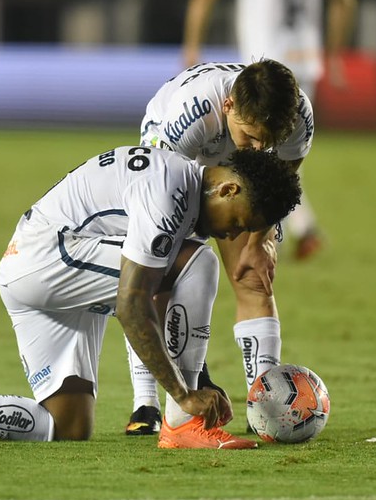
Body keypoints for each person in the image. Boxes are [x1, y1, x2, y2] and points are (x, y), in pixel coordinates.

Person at [0, 146, 302, 449]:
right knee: (200, 263)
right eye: (240, 221)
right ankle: (181, 423)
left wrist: (199, 379)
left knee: (67, 426)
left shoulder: (184, 186)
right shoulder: (170, 191)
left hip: (43, 271)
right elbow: (133, 304)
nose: (233, 234)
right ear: (228, 189)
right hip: (49, 258)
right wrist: (186, 394)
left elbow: (166, 306)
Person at [125, 59, 312, 436]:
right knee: (164, 274)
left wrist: (259, 242)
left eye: (268, 142)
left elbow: (277, 184)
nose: (260, 148)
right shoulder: (191, 113)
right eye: (251, 136)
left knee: (254, 277)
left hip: (239, 175)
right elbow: (159, 185)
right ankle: (146, 403)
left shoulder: (297, 117)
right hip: (177, 161)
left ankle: (265, 407)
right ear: (228, 106)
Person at [183, 0, 357, 260]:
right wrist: (334, 55)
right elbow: (345, 1)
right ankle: (297, 228)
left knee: (254, 151)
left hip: (262, 65)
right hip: (304, 62)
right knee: (284, 155)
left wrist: (192, 46)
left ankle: (269, 237)